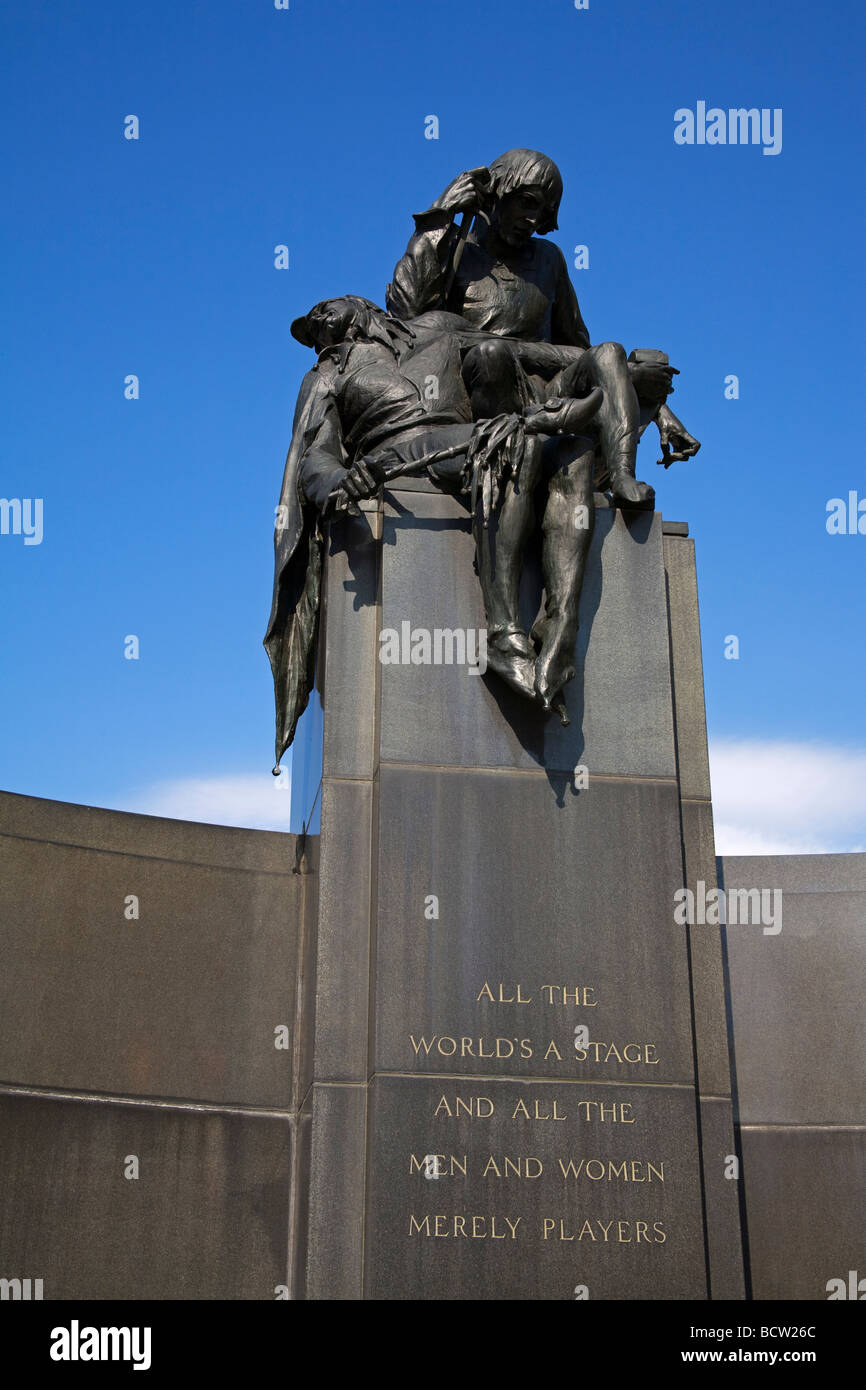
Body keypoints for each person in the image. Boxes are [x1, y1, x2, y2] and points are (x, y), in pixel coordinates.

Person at [385, 148, 701, 703]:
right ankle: (512, 625)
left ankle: (622, 474)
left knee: (609, 351)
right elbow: (405, 316)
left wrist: (660, 411)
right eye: (525, 202)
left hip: (546, 389)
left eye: (543, 207)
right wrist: (438, 219)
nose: (533, 217)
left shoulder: (551, 261)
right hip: (480, 396)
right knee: (492, 356)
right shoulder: (458, 248)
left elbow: (580, 344)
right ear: (497, 195)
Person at [263, 295, 602, 767]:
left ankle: (560, 628)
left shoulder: (435, 327)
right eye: (312, 327)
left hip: (458, 438)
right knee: (513, 446)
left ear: (360, 306)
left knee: (574, 451)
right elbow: (313, 458)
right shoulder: (326, 376)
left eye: (324, 309)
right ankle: (506, 635)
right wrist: (340, 480)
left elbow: (526, 352)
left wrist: (611, 364)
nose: (317, 323)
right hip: (398, 455)